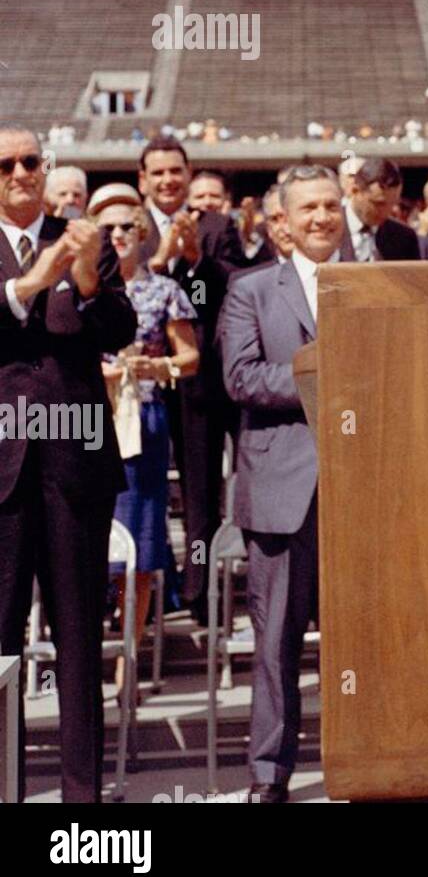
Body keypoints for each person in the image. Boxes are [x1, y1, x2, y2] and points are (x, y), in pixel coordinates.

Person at [0, 125, 137, 801]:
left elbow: (121, 329)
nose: (22, 171)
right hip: (2, 471)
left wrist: (83, 276)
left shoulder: (84, 235)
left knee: (79, 642)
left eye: (32, 160)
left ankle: (81, 803)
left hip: (76, 465)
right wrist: (30, 283)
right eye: (7, 163)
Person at [219, 166, 343, 803]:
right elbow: (240, 378)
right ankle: (269, 776)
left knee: (364, 642)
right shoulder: (251, 290)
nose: (321, 217)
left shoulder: (369, 284)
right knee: (275, 645)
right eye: (309, 210)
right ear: (284, 225)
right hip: (281, 493)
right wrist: (328, 376)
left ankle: (362, 763)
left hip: (362, 492)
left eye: (330, 206)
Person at [89, 183, 199, 697]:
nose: (117, 236)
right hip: (89, 423)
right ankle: (87, 655)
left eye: (126, 227)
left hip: (145, 423)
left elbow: (189, 358)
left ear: (143, 231)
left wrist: (156, 365)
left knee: (141, 545)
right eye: (106, 228)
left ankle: (127, 664)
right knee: (89, 543)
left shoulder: (166, 289)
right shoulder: (81, 288)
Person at [137, 135, 243, 619]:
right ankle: (143, 595)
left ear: (187, 173)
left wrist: (196, 261)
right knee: (140, 494)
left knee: (201, 494)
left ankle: (199, 594)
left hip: (200, 383)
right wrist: (160, 259)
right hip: (139, 388)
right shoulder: (128, 229)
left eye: (175, 171)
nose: (167, 180)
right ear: (143, 180)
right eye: (157, 172)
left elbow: (224, 291)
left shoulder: (217, 225)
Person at [340, 157, 421, 262]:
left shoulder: (404, 238)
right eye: (379, 204)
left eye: (392, 204)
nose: (386, 213)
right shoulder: (326, 228)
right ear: (355, 191)